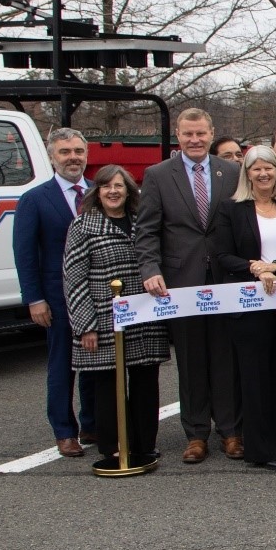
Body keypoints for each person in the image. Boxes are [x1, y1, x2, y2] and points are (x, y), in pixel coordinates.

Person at [136, 107, 242, 463]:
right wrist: (150, 268)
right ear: (177, 136)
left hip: (226, 282)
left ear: (212, 133)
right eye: (187, 134)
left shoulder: (231, 172)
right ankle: (196, 434)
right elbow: (147, 229)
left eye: (201, 133)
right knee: (192, 361)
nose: (194, 140)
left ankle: (230, 431)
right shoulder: (157, 175)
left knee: (226, 358)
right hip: (182, 284)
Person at [210, 146, 276, 471]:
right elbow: (222, 255)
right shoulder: (231, 209)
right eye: (256, 169)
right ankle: (259, 448)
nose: (264, 173)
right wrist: (256, 268)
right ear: (247, 173)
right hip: (249, 303)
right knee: (254, 375)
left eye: (269, 168)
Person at [62, 165, 170, 473]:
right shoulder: (84, 225)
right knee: (108, 384)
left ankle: (145, 444)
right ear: (97, 192)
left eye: (119, 186)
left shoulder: (142, 222)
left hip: (145, 316)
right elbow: (74, 278)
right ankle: (113, 447)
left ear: (129, 191)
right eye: (107, 186)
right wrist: (85, 325)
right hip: (104, 319)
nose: (113, 191)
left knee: (146, 382)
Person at [13, 126, 97, 458]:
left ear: (86, 155)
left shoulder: (98, 191)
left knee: (96, 362)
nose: (72, 157)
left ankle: (92, 422)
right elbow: (24, 252)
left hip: (97, 295)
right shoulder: (34, 199)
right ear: (52, 157)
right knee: (63, 364)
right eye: (65, 152)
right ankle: (65, 431)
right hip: (57, 296)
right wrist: (34, 298)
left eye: (78, 151)